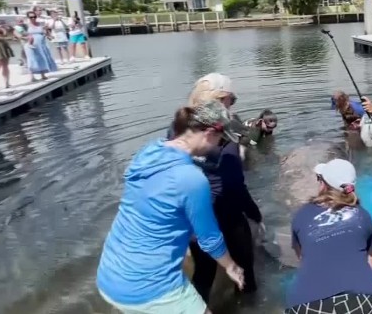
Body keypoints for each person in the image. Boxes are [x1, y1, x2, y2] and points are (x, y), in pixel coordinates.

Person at [97, 101, 246, 314]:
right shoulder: (192, 179)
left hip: (110, 274)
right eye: (220, 140)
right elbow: (210, 239)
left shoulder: (149, 151)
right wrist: (231, 266)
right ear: (210, 133)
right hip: (150, 287)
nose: (217, 146)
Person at [176, 73, 263, 300]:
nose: (232, 105)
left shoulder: (178, 129)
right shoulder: (225, 140)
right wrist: (256, 214)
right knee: (244, 270)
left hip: (195, 218)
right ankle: (249, 305)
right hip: (226, 215)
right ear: (221, 100)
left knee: (203, 274)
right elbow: (236, 188)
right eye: (231, 100)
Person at [285, 159, 372, 314]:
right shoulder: (362, 216)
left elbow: (303, 259)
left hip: (307, 304)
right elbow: (370, 261)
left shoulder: (301, 216)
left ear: (324, 185)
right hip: (364, 299)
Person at [24, 11, 58, 82]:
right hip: (31, 44)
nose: (33, 18)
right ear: (28, 18)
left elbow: (45, 32)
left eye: (34, 17)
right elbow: (23, 34)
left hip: (41, 44)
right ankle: (32, 76)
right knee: (32, 59)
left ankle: (43, 74)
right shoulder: (27, 25)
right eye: (31, 17)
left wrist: (49, 35)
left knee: (42, 58)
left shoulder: (40, 24)